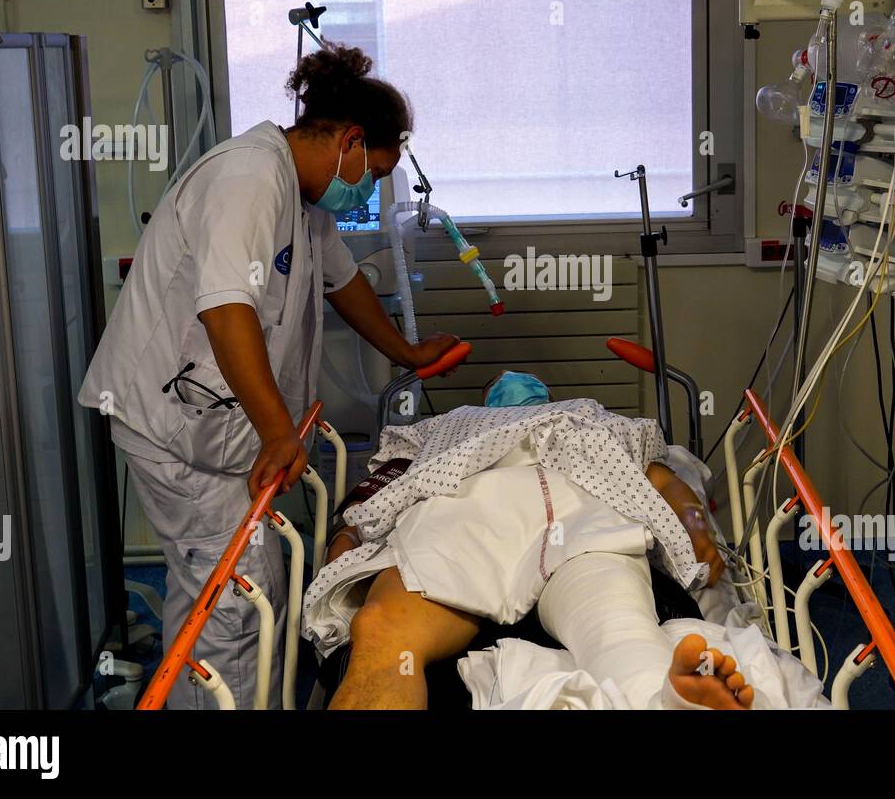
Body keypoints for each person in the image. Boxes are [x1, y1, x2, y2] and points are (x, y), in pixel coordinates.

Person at [79, 42, 457, 709]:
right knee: (233, 604)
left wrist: (407, 351)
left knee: (226, 589)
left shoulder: (306, 198)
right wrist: (279, 433)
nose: (369, 187)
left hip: (214, 424)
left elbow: (343, 282)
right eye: (374, 171)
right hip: (175, 427)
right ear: (348, 138)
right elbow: (228, 310)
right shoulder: (249, 181)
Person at [310, 371, 757, 710]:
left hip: (564, 509)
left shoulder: (589, 414)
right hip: (478, 514)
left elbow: (659, 476)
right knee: (383, 632)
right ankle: (656, 691)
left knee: (617, 630)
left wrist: (695, 524)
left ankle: (667, 695)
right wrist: (347, 534)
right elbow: (379, 489)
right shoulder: (444, 426)